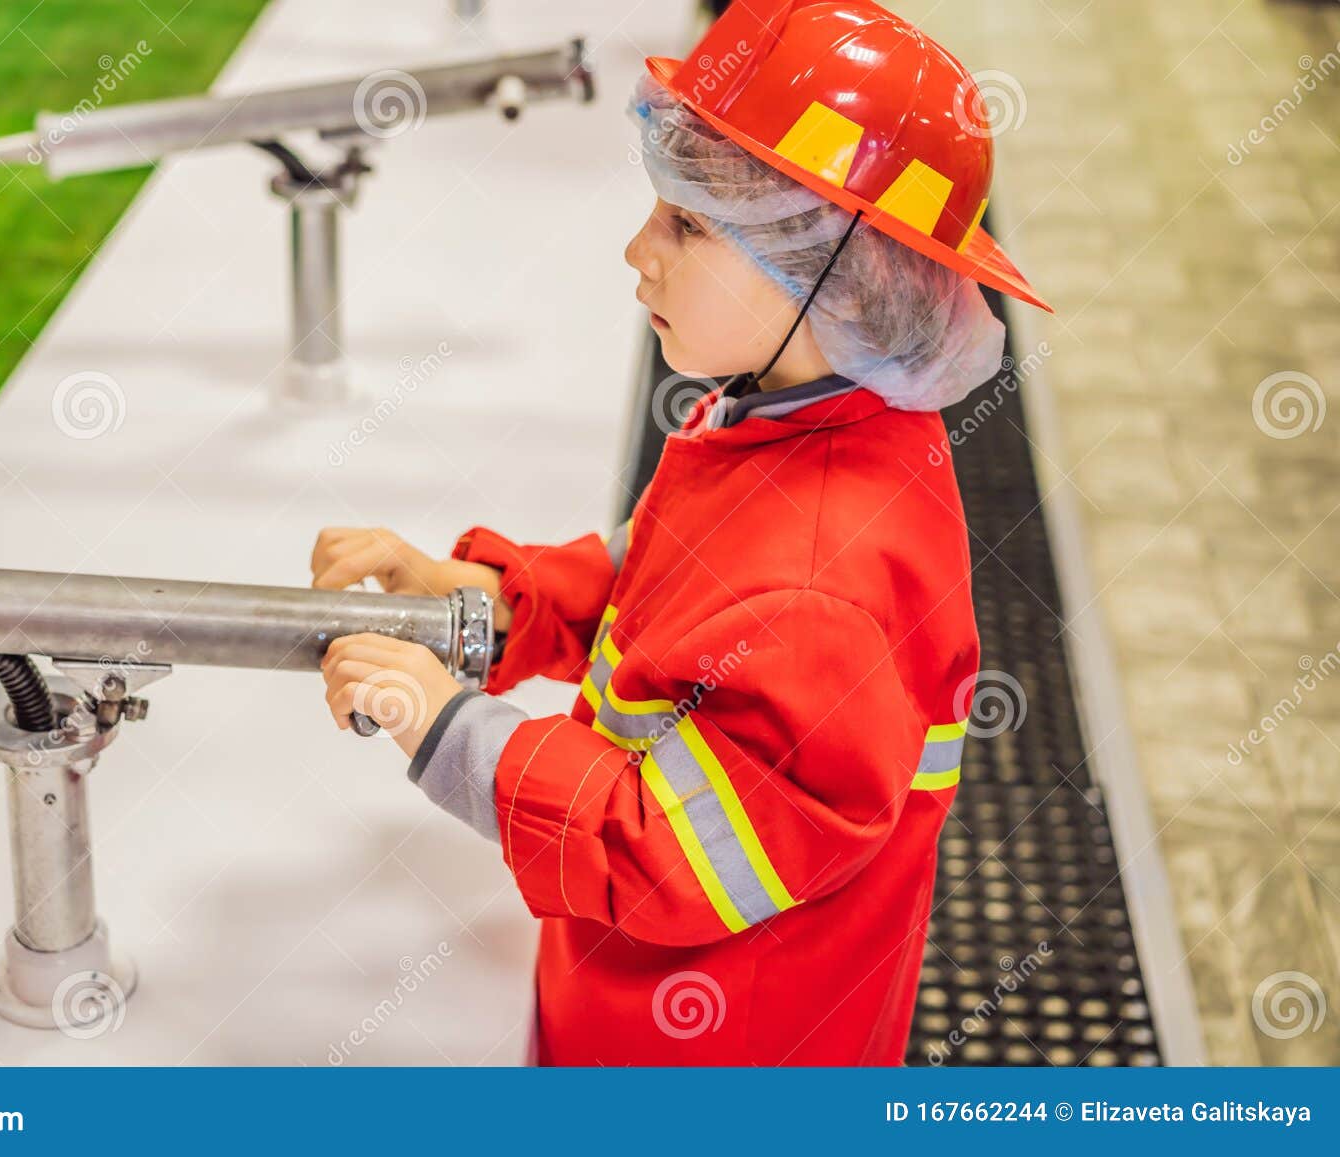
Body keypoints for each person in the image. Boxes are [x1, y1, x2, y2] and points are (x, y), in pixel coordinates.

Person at [312, 0, 1051, 1065]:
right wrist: (476, 598)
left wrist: (445, 727)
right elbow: (662, 573)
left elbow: (659, 849)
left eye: (689, 224)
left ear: (828, 273)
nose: (636, 251)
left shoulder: (823, 581)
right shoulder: (799, 410)